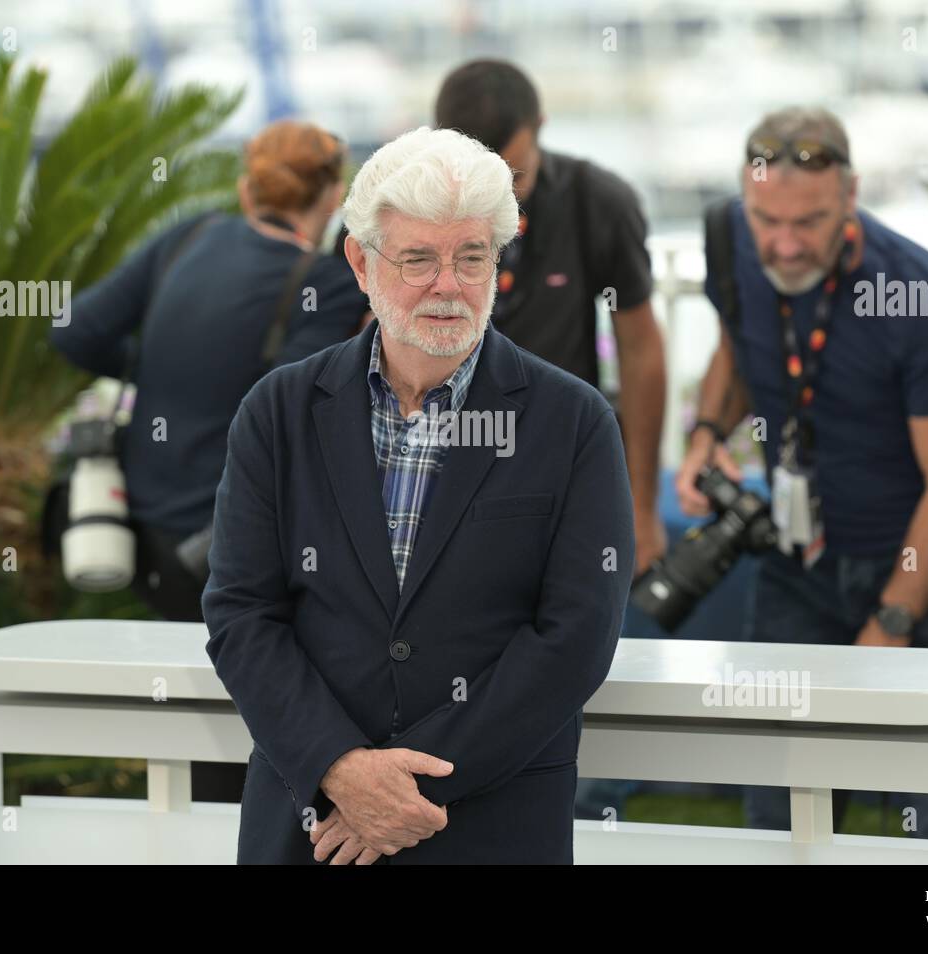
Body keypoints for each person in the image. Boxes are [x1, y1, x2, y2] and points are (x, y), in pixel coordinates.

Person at [202, 126, 634, 864]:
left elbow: (576, 636)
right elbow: (242, 614)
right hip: (310, 829)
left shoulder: (574, 422)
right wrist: (340, 770)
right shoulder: (277, 412)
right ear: (360, 262)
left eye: (472, 258)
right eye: (418, 259)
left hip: (491, 828)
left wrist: (406, 789)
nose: (448, 285)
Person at [683, 107, 928, 841]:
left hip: (925, 568)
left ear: (851, 197)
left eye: (811, 222)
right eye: (767, 219)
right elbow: (737, 338)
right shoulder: (729, 238)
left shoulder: (917, 294)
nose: (785, 246)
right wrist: (705, 433)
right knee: (781, 806)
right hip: (798, 561)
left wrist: (894, 620)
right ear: (743, 197)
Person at [49, 119, 367, 802]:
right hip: (233, 548)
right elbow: (293, 408)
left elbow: (75, 331)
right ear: (334, 194)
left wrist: (149, 366)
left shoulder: (187, 237)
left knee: (207, 719)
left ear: (246, 186)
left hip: (149, 533)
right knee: (255, 723)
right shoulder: (326, 282)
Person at [434, 59, 668, 577]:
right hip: (436, 474)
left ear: (539, 127)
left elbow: (640, 348)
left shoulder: (599, 202)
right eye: (477, 181)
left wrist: (643, 507)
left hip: (561, 471)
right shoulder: (404, 215)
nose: (498, 201)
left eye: (512, 177)